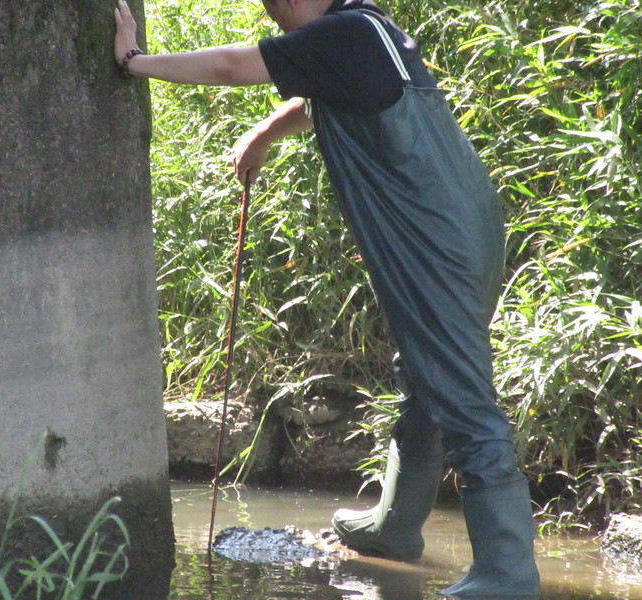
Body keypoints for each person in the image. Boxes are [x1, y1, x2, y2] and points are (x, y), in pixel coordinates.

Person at [114, 0, 541, 596]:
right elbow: (324, 100)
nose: (271, 16)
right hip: (467, 226)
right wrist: (265, 132)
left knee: (463, 395)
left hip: (436, 241)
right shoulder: (368, 29)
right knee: (428, 376)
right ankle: (392, 528)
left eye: (270, 4)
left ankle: (507, 573)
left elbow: (234, 67)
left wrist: (135, 62)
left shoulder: (341, 33)